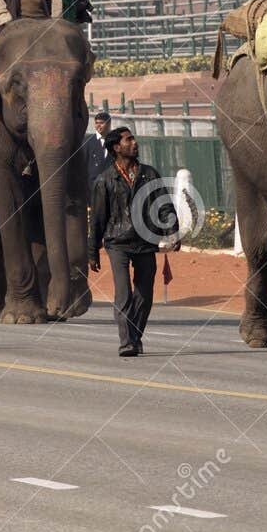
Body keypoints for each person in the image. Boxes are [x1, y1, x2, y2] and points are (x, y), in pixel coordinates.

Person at [88, 126, 178, 357]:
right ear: (117, 148)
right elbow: (98, 219)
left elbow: (165, 205)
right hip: (117, 243)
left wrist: (173, 229)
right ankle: (127, 341)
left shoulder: (150, 174)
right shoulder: (105, 180)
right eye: (129, 140)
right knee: (124, 293)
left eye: (134, 139)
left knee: (145, 295)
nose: (135, 143)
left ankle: (135, 335)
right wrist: (93, 251)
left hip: (146, 242)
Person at [83, 110, 112, 187]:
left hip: (112, 185)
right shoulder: (88, 142)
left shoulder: (116, 141)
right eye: (96, 123)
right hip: (93, 185)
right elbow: (83, 164)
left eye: (102, 123)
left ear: (109, 124)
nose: (98, 126)